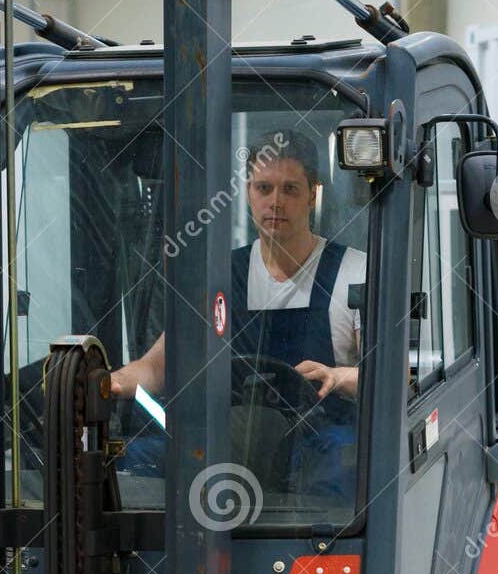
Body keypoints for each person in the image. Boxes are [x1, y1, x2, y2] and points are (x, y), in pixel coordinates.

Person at [110, 132, 366, 501]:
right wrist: (107, 382)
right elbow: (156, 369)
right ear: (248, 192)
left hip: (319, 439)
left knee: (339, 461)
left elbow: (393, 379)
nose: (275, 201)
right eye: (264, 188)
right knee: (137, 458)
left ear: (313, 194)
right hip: (228, 437)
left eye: (290, 189)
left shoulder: (353, 272)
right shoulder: (220, 276)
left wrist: (339, 375)